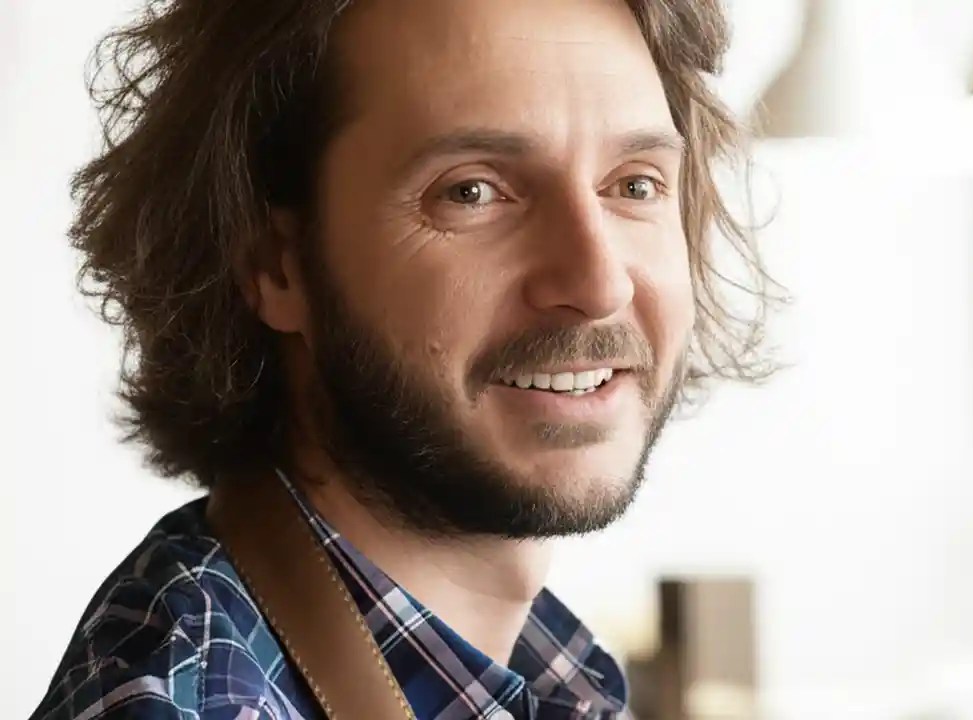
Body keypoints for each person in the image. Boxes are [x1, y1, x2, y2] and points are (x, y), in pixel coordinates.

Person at [30, 0, 775, 717]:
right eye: (473, 191)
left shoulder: (543, 678)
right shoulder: (203, 701)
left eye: (635, 185)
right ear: (274, 266)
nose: (598, 281)